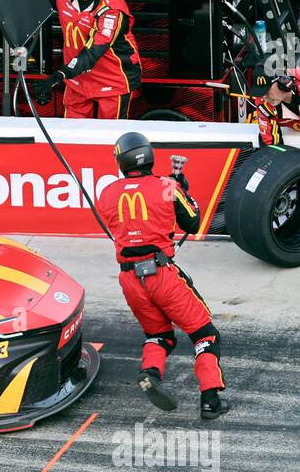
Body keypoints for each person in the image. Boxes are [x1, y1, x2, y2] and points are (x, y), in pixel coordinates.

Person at [98, 132, 229, 420]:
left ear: (122, 161)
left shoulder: (107, 192)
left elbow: (122, 221)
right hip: (162, 275)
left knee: (158, 335)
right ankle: (210, 399)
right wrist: (182, 188)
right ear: (149, 156)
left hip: (130, 280)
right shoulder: (166, 185)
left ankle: (150, 373)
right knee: (205, 335)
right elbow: (192, 222)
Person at [35, 0, 143, 118]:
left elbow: (93, 53)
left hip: (112, 82)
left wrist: (57, 76)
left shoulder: (113, 10)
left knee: (109, 138)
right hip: (77, 80)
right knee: (71, 136)